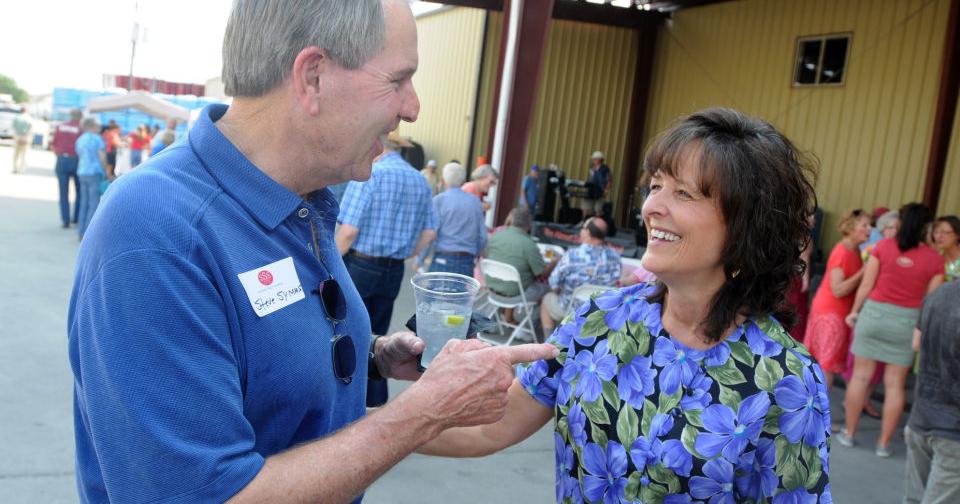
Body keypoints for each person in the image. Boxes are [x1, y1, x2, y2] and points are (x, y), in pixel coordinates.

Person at [67, 2, 557, 502]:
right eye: (398, 79)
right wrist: (424, 411)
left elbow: (253, 355)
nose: (412, 108)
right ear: (314, 77)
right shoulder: (156, 233)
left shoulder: (301, 200)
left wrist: (373, 354)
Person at [418, 108, 831, 503]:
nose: (651, 207)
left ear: (746, 227)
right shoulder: (599, 319)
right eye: (655, 186)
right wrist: (384, 422)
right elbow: (491, 428)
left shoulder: (786, 380)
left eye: (683, 193)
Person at [335, 131, 437, 407]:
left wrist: (327, 264)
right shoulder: (420, 179)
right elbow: (430, 232)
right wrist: (406, 253)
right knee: (378, 336)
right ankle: (374, 402)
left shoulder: (371, 174)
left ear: (376, 145)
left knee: (348, 333)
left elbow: (348, 232)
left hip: (361, 264)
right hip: (393, 270)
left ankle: (349, 403)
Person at [840, 203, 945, 457]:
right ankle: (883, 444)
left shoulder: (883, 247)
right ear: (926, 228)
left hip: (874, 316)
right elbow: (930, 302)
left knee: (860, 377)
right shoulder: (935, 260)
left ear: (900, 223)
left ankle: (849, 433)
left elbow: (866, 285)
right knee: (895, 385)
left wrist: (854, 311)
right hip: (906, 323)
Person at [903, 279, 960, 504]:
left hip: (922, 416)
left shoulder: (939, 293)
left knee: (913, 499)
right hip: (953, 430)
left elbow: (916, 344)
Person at [804, 209, 871, 391]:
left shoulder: (857, 251)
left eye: (870, 225)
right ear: (851, 227)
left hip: (839, 311)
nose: (869, 229)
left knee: (826, 362)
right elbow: (838, 289)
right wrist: (864, 271)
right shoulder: (842, 252)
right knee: (826, 364)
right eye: (864, 225)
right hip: (831, 312)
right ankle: (818, 403)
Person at [539, 217, 621, 335]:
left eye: (583, 227)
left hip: (572, 309)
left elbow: (553, 283)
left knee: (547, 299)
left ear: (587, 232)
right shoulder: (615, 257)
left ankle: (550, 343)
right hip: (600, 311)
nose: (581, 230)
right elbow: (615, 282)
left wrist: (559, 290)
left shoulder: (572, 255)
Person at [484, 207, 558, 315]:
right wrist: (555, 261)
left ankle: (508, 317)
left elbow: (487, 257)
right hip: (516, 295)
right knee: (549, 289)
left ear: (511, 219)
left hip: (492, 291)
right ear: (529, 225)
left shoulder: (496, 236)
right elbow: (543, 273)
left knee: (517, 278)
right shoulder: (528, 244)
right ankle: (530, 321)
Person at [420, 162, 487, 277]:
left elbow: (430, 234)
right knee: (462, 289)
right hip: (467, 260)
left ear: (443, 180)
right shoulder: (475, 202)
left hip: (442, 258)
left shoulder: (438, 201)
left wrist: (420, 259)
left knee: (437, 289)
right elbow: (483, 237)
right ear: (463, 181)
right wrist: (474, 254)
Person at [74, 117, 110, 241]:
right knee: (93, 203)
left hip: (82, 171)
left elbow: (79, 154)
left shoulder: (80, 139)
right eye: (98, 126)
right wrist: (106, 170)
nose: (100, 128)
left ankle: (80, 231)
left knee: (84, 202)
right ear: (91, 126)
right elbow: (102, 156)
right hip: (94, 172)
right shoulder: (97, 139)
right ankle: (87, 234)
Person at [51, 109, 83, 228]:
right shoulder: (81, 129)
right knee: (79, 191)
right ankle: (76, 218)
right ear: (81, 117)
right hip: (76, 160)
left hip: (62, 159)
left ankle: (65, 220)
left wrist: (59, 154)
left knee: (63, 191)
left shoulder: (61, 126)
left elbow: (53, 143)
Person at [582, 150, 612, 219]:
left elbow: (609, 180)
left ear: (600, 159)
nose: (593, 160)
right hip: (591, 190)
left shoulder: (605, 169)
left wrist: (606, 190)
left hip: (600, 191)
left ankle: (597, 223)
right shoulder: (592, 168)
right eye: (593, 159)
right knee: (585, 208)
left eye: (595, 159)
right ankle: (584, 222)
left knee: (598, 210)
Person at [932, 215, 959, 281]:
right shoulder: (935, 259)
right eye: (936, 232)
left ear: (957, 235)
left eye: (944, 232)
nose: (939, 236)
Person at [11, 107, 32, 174]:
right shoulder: (29, 118)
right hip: (26, 137)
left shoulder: (17, 117)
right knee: (24, 154)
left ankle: (15, 168)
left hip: (18, 136)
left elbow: (13, 127)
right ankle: (22, 169)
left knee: (16, 154)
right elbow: (31, 129)